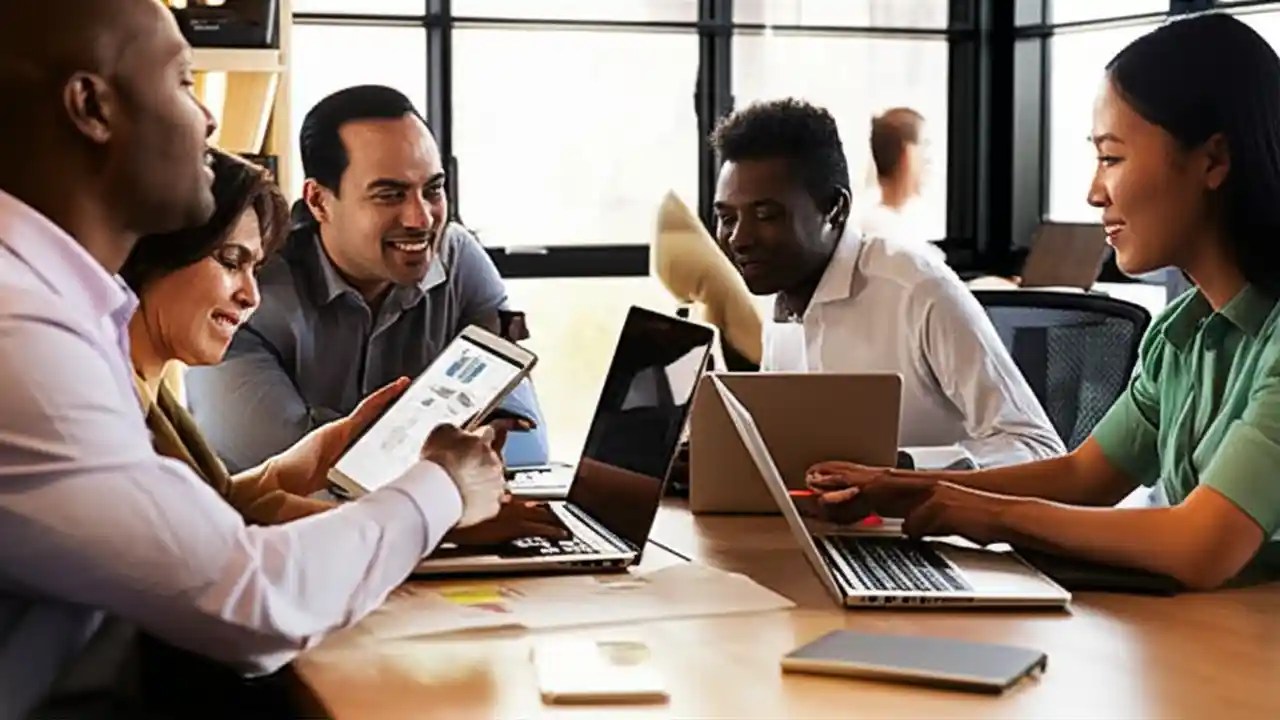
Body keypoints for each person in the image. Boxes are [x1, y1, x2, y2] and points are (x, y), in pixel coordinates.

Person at [0, 2, 506, 716]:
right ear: (91, 106)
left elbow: (188, 537)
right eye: (182, 82)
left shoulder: (63, 309)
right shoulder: (20, 331)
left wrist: (303, 462)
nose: (207, 121)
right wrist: (442, 484)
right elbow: (250, 601)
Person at [807, 13, 1280, 591]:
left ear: (1213, 160)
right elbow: (1086, 475)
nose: (1093, 191)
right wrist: (905, 489)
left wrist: (991, 516)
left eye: (1112, 158)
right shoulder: (1180, 336)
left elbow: (1201, 545)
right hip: (1207, 647)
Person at [120, 148, 560, 540]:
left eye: (254, 268)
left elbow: (221, 503)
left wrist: (310, 459)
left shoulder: (148, 390)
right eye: (231, 262)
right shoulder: (108, 405)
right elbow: (219, 548)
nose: (250, 296)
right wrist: (439, 513)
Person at [185, 85, 550, 473]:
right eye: (390, 195)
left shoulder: (458, 258)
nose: (421, 219)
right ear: (319, 201)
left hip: (440, 523)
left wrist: (367, 439)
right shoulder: (246, 289)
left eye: (433, 189)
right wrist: (449, 437)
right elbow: (280, 470)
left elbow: (526, 444)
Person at [710, 98, 1064, 467]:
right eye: (727, 217)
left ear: (835, 209)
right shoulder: (781, 296)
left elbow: (1037, 447)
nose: (738, 238)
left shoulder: (917, 290)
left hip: (932, 524)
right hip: (822, 523)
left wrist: (902, 472)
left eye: (765, 215)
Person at [860, 106, 938, 258]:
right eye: (925, 146)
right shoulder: (886, 234)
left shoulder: (906, 223)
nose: (930, 161)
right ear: (908, 152)